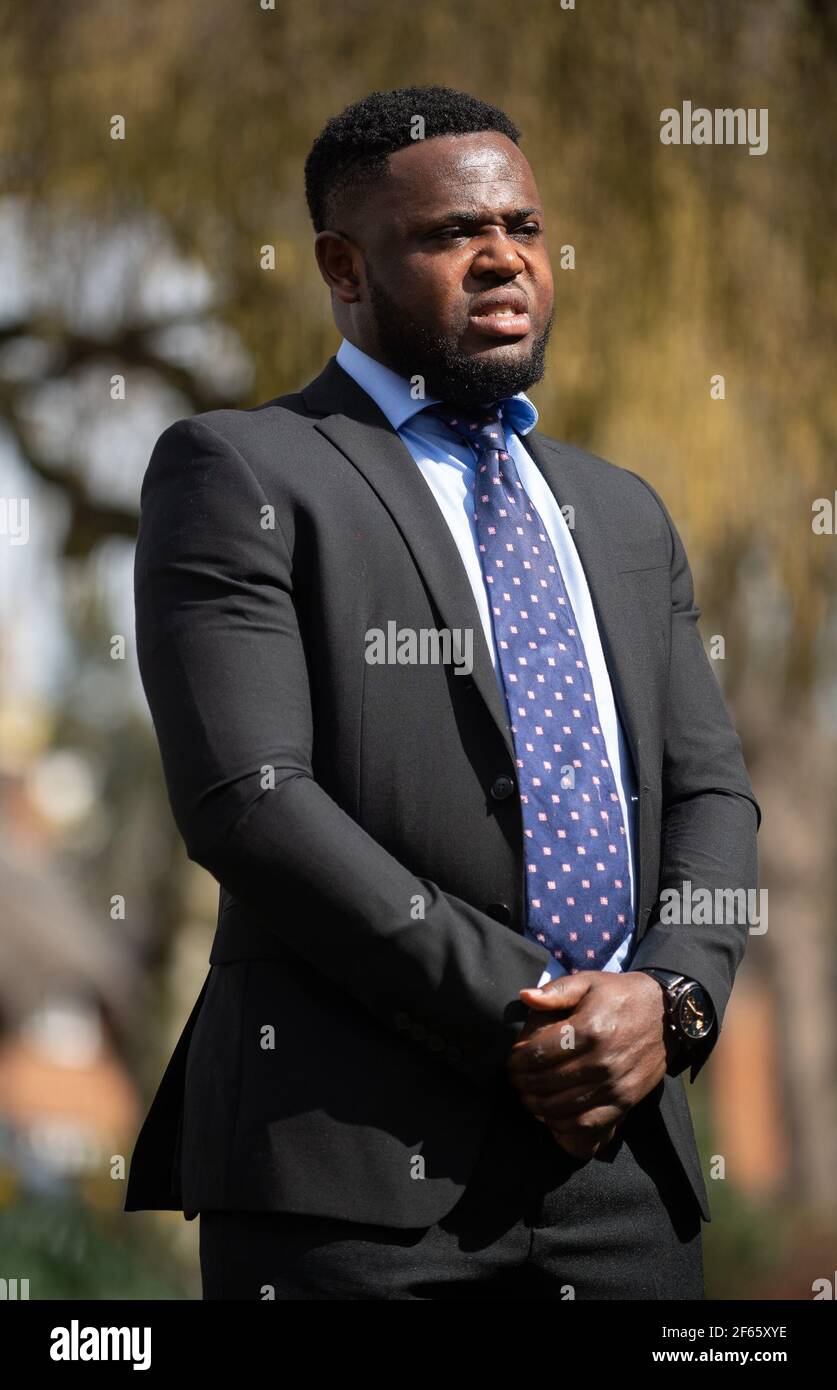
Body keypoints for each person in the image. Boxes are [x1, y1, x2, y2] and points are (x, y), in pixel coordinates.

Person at [124, 84, 760, 1300]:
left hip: (626, 1178)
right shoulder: (242, 470)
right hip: (351, 1179)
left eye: (521, 226)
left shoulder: (621, 510)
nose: (503, 258)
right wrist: (537, 1016)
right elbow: (252, 803)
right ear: (344, 267)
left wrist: (670, 1000)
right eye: (451, 235)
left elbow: (713, 790)